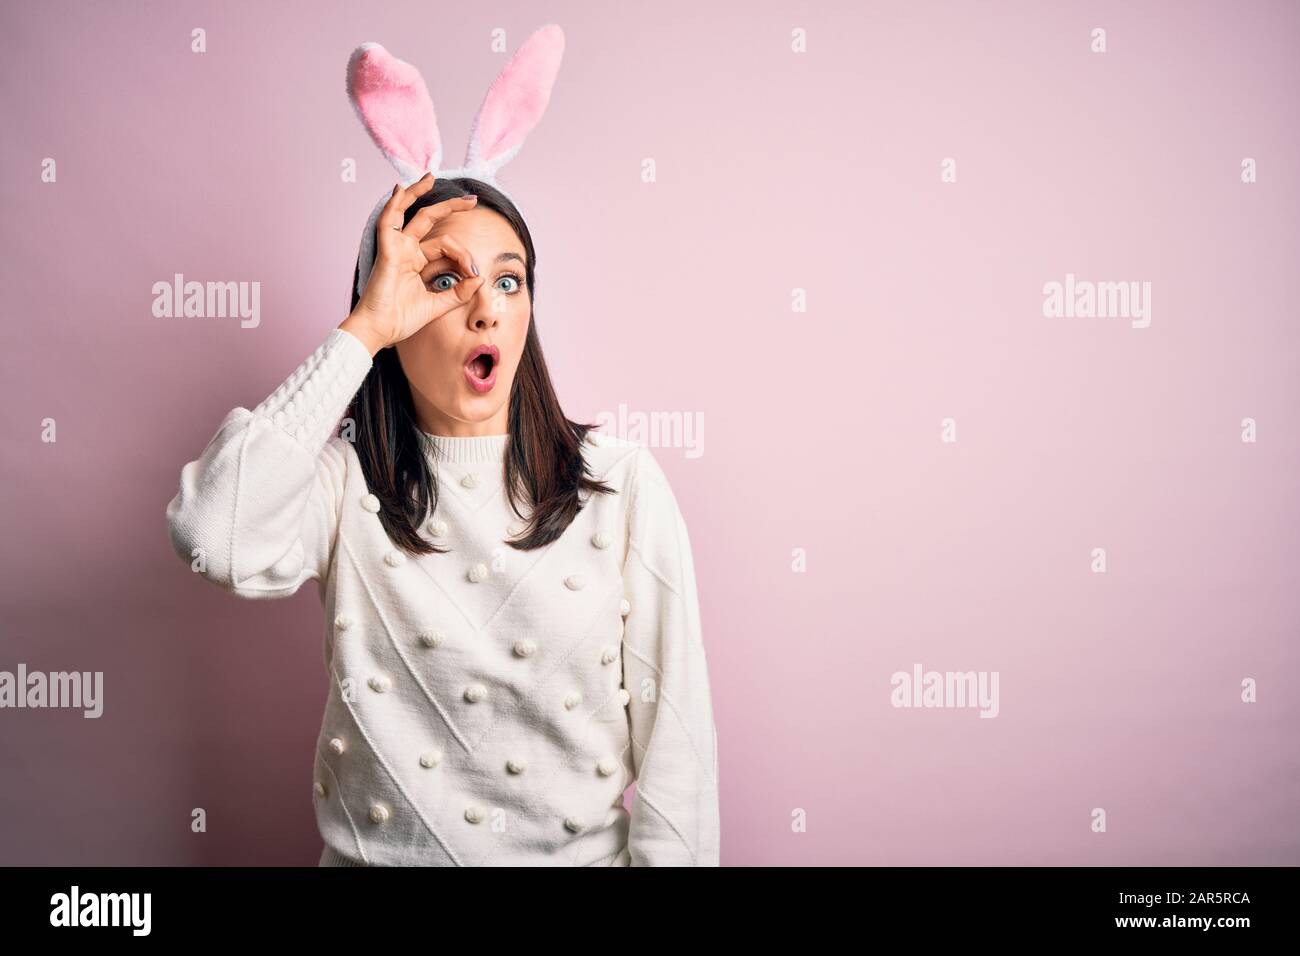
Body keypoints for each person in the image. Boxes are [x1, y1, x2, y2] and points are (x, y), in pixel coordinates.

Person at [165, 171, 721, 865]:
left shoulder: (620, 483)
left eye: (509, 281)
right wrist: (362, 333)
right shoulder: (342, 484)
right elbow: (214, 539)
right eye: (441, 282)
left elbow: (679, 745)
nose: (485, 308)